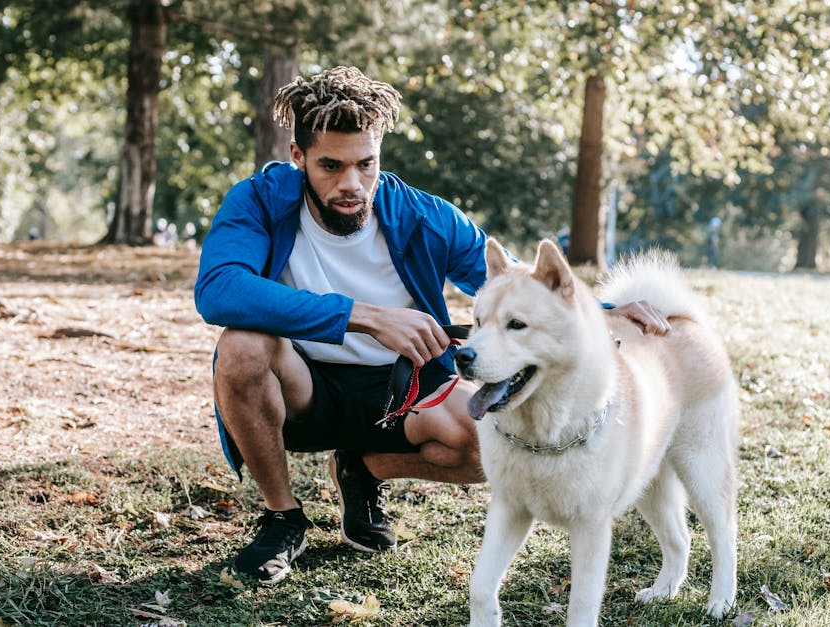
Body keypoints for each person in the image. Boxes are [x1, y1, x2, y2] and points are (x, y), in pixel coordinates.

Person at [194, 66, 670, 585]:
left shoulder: (423, 215)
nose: (351, 183)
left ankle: (363, 469)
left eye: (365, 164)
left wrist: (603, 311)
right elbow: (219, 289)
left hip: (403, 390)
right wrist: (364, 316)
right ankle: (283, 518)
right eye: (330, 165)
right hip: (302, 386)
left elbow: (515, 278)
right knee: (241, 347)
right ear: (298, 157)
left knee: (484, 441)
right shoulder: (259, 201)